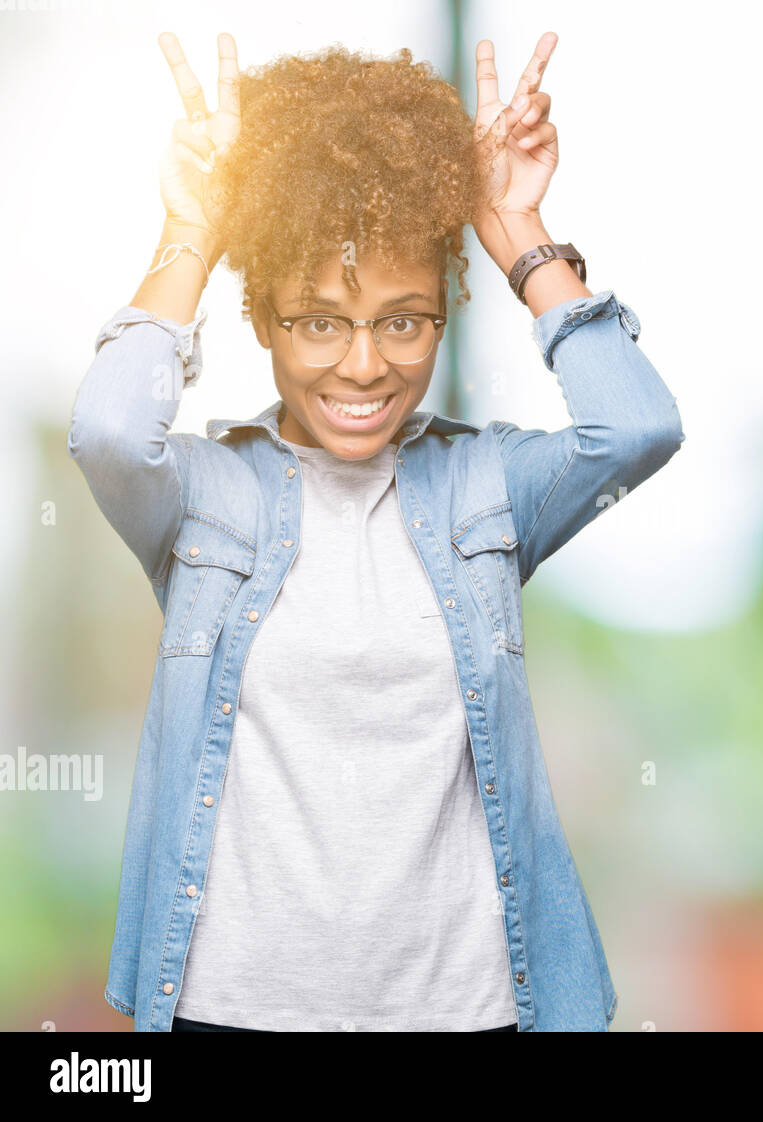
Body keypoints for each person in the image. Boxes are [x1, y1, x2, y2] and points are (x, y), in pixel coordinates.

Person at [66, 29, 684, 1032]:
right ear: (261, 317)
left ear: (443, 312)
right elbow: (106, 430)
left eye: (403, 320)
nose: (363, 366)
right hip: (230, 1009)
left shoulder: (486, 487)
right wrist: (194, 229)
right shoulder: (204, 498)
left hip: (465, 1009)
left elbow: (638, 427)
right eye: (318, 319)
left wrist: (519, 233)